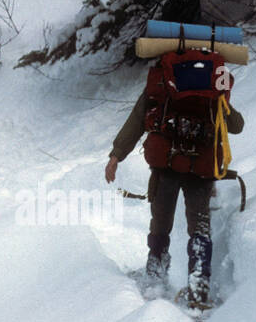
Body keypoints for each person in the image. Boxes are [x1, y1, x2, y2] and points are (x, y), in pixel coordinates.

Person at [103, 68, 245, 309]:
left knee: (160, 221)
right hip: (201, 166)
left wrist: (117, 155)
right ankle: (199, 288)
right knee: (199, 226)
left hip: (166, 163)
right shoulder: (213, 79)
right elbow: (236, 126)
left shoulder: (163, 76)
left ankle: (155, 277)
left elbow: (138, 119)